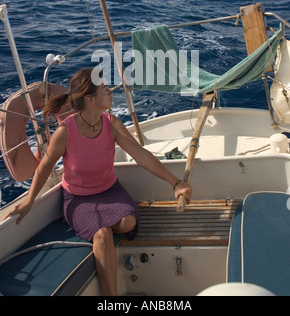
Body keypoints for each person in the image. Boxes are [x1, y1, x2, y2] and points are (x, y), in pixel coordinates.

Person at [6, 68, 192, 296]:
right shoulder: (65, 132)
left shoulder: (111, 123)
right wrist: (29, 202)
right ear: (90, 98)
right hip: (78, 198)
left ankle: (99, 225)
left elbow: (140, 155)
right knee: (102, 235)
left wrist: (175, 183)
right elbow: (45, 167)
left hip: (109, 190)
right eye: (105, 89)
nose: (111, 91)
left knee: (128, 223)